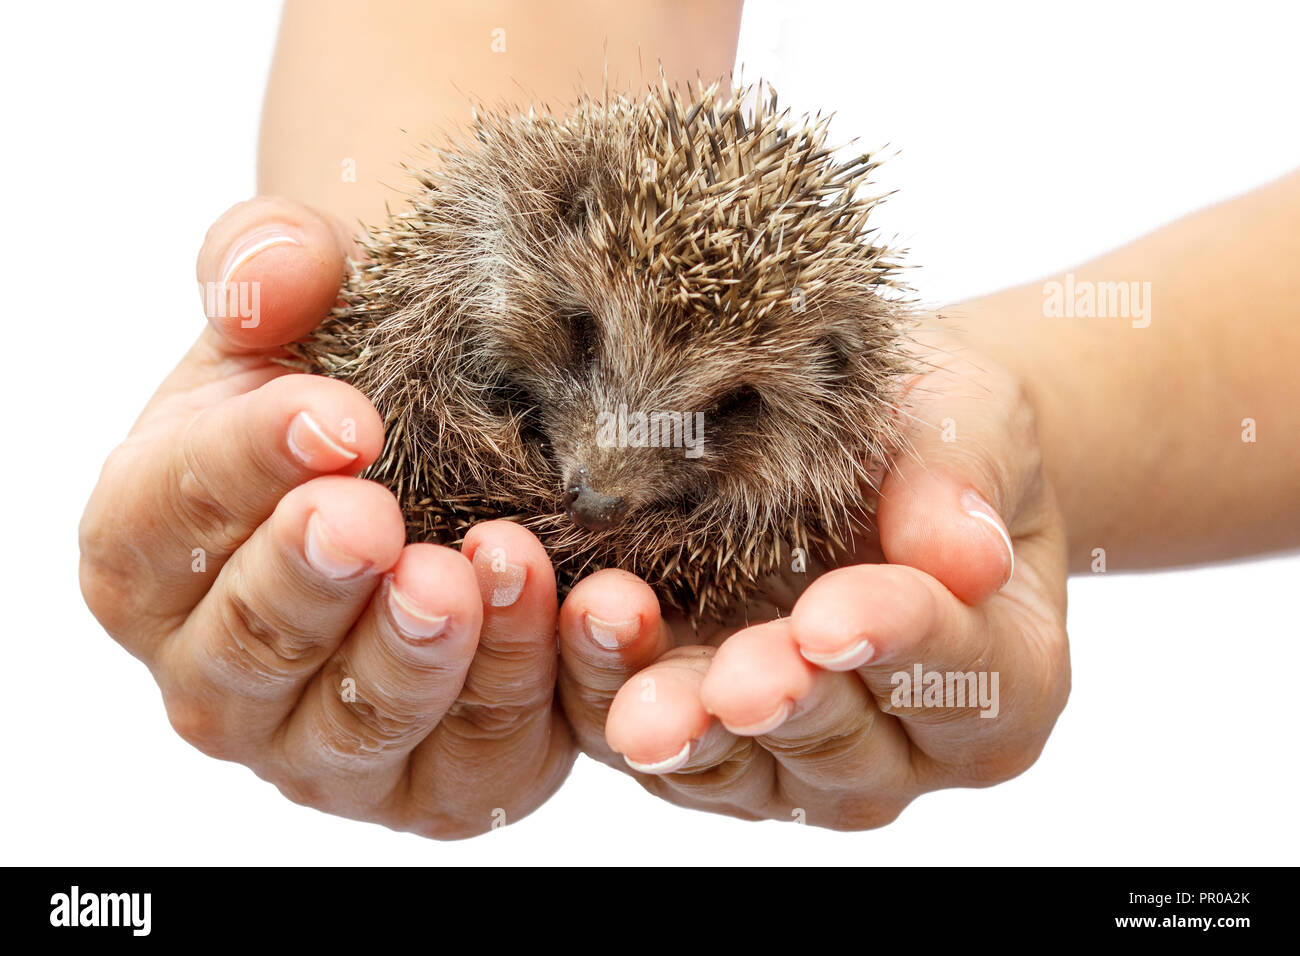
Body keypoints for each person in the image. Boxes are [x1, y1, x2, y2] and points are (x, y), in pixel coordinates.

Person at [78, 0, 1300, 836]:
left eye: (721, 407)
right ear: (545, 227)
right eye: (581, 337)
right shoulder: (517, 229)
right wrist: (350, 287)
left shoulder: (824, 417)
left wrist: (979, 456)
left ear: (822, 377)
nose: (604, 471)